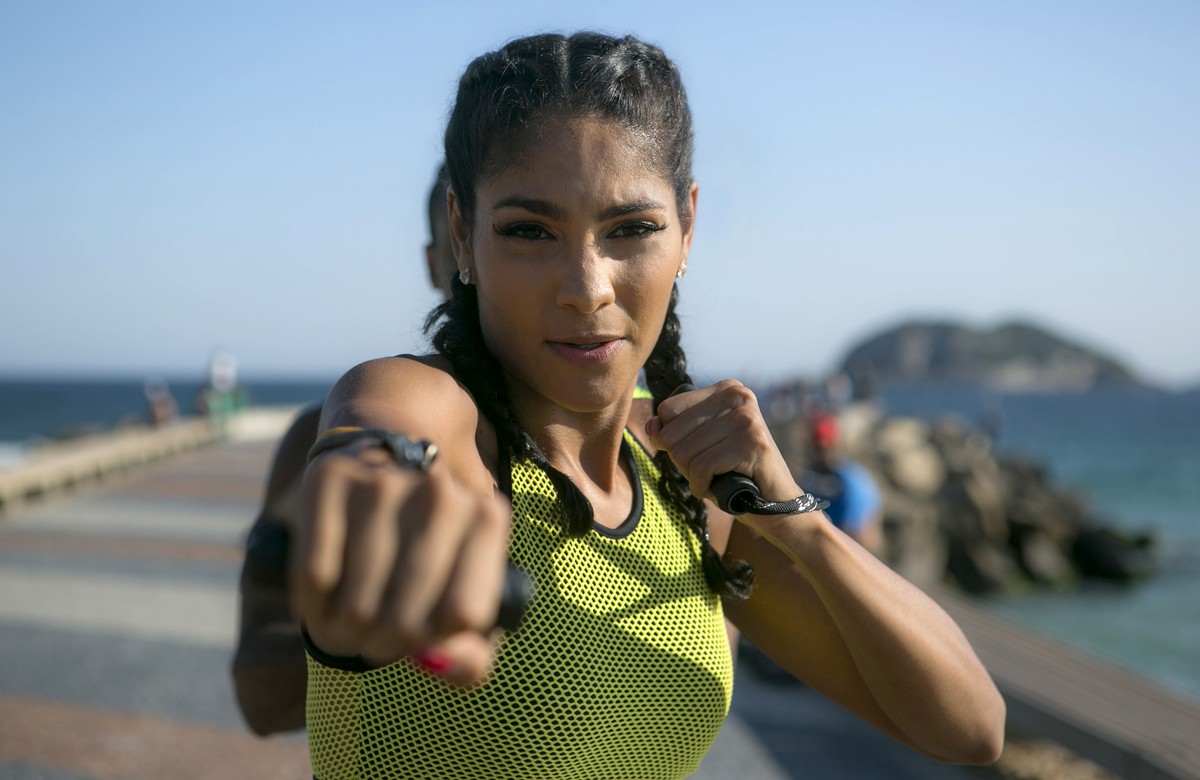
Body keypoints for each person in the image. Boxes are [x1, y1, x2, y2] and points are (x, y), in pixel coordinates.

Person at [291, 32, 1004, 779]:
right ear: (463, 234)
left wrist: (792, 511)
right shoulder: (440, 413)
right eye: (530, 231)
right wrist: (375, 476)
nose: (587, 286)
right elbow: (383, 433)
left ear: (687, 229)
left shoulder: (690, 492)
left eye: (632, 229)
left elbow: (970, 728)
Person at [230, 165, 458, 735]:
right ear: (437, 261)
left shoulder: (668, 450)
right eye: (518, 230)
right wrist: (329, 614)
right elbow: (262, 702)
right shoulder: (322, 437)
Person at [798, 411, 885, 554]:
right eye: (812, 447)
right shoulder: (812, 479)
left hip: (852, 555)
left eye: (820, 449)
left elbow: (856, 534)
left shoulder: (853, 483)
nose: (815, 454)